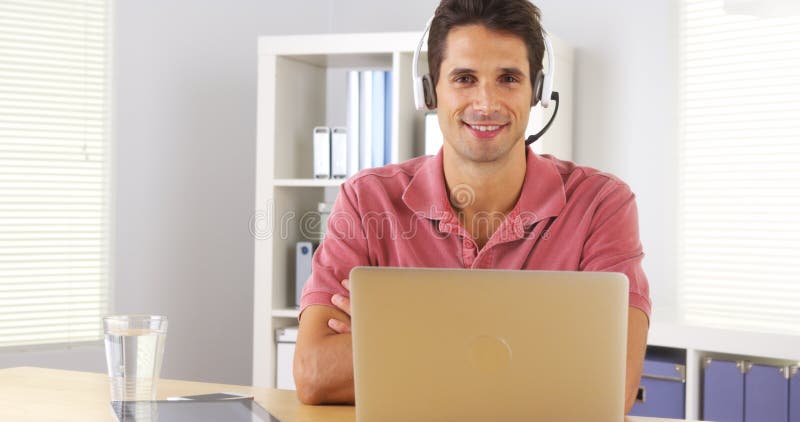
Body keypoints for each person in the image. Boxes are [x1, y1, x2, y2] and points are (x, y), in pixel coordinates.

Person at [293, 0, 651, 414]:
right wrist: (521, 349)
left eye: (508, 78)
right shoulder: (366, 200)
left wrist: (398, 336)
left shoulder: (602, 204)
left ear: (536, 91)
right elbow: (314, 373)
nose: (485, 103)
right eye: (464, 78)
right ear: (430, 91)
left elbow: (610, 388)